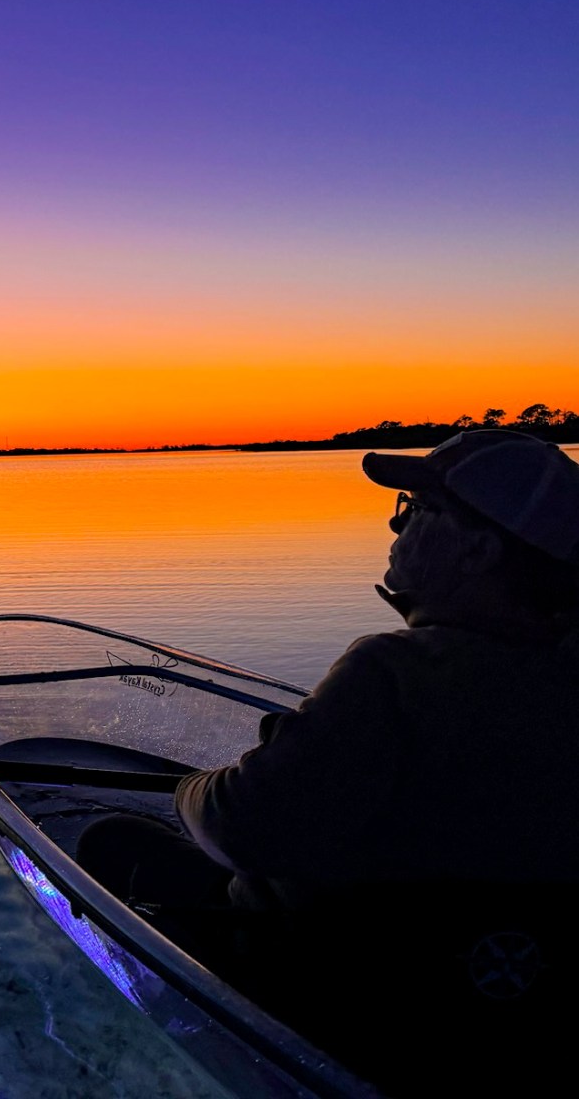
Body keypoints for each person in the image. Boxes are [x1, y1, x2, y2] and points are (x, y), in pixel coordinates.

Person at [75, 428, 579, 1084]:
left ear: (478, 552)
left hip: (335, 988)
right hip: (503, 989)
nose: (395, 525)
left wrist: (190, 790)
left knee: (113, 841)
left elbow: (239, 828)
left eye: (417, 511)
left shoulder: (394, 674)